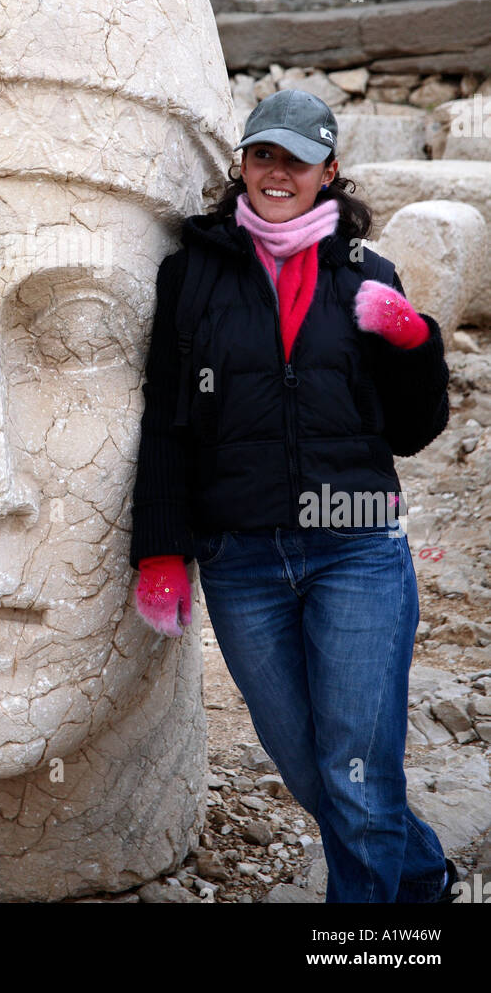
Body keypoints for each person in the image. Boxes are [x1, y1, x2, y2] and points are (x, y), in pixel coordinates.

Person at [129, 88, 460, 905]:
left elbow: (415, 431)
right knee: (311, 766)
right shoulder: (191, 275)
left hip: (355, 550)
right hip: (241, 559)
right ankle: (419, 875)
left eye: (297, 159)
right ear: (242, 163)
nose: (279, 173)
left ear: (329, 171)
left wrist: (415, 343)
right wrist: (160, 550)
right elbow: (167, 421)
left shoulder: (366, 274)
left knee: (357, 771)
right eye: (264, 155)